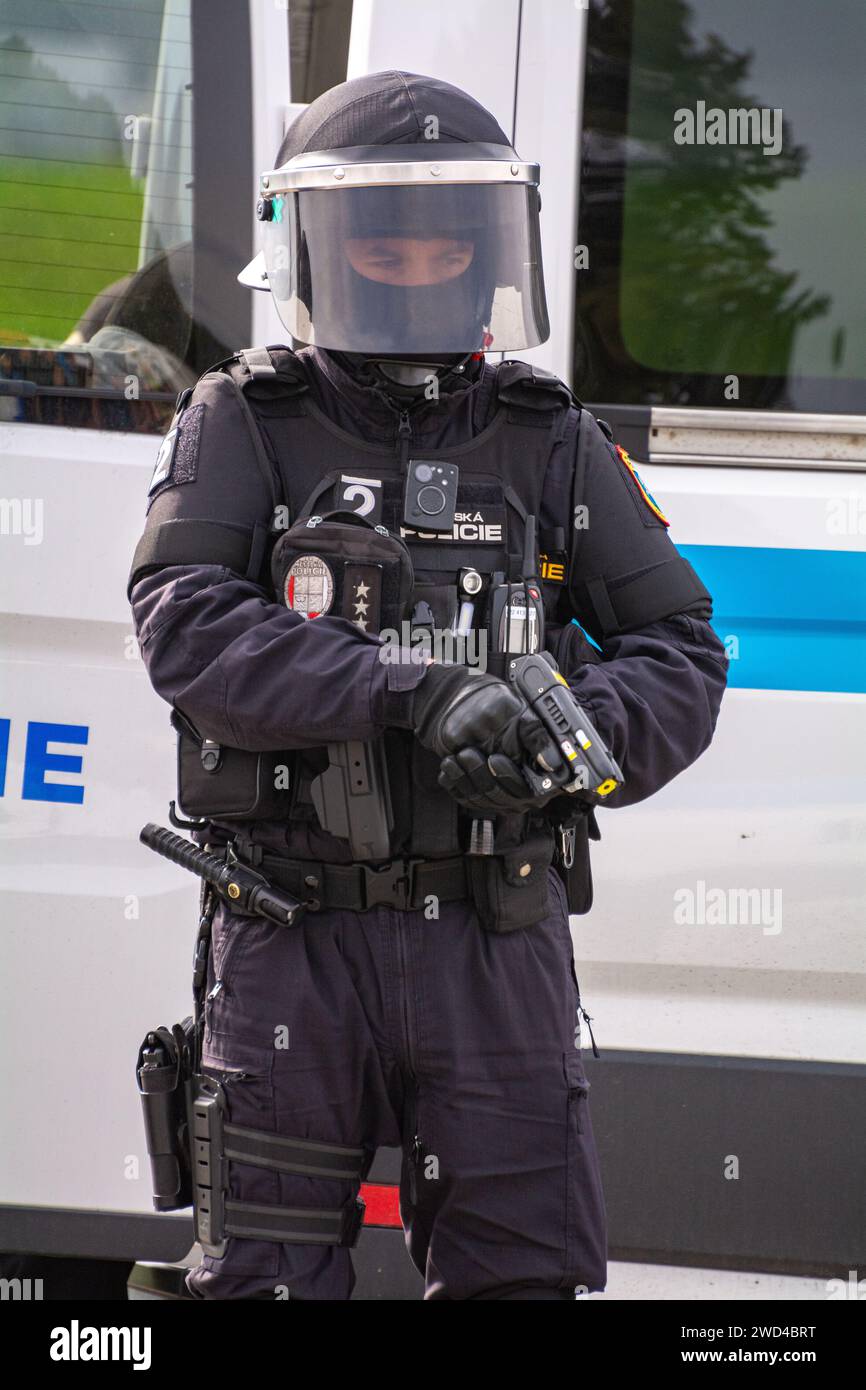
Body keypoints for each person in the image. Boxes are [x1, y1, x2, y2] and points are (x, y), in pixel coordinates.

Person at [128, 71, 728, 1301]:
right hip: (290, 931)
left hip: (496, 937)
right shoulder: (243, 421)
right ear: (318, 246)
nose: (409, 268)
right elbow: (184, 623)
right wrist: (411, 691)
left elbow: (680, 655)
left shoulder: (549, 438)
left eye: (439, 242)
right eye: (379, 242)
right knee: (265, 1284)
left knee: (522, 1281)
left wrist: (558, 733)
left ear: (486, 250)